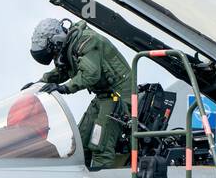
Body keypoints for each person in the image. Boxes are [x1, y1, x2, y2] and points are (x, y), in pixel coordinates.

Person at [24, 17, 134, 170]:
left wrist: (64, 88)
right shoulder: (71, 45)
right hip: (104, 96)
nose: (55, 56)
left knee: (99, 146)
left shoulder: (87, 41)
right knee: (80, 144)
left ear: (55, 40)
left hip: (120, 97)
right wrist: (41, 83)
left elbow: (90, 74)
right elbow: (63, 71)